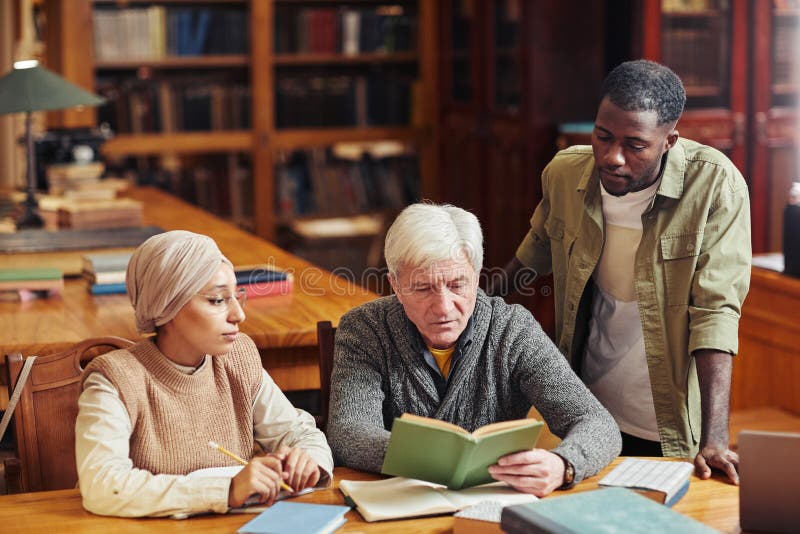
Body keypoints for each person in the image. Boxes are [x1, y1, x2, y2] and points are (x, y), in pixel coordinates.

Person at [492, 60, 750, 484]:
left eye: (634, 145)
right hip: (587, 412)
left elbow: (715, 313)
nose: (612, 157)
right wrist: (468, 306)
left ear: (669, 141)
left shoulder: (715, 186)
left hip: (663, 416)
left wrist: (716, 439)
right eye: (602, 136)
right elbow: (531, 257)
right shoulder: (564, 174)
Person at [327, 203, 621, 497]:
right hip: (399, 500)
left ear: (477, 276)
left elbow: (596, 422)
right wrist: (435, 461)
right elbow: (349, 432)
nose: (443, 308)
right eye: (423, 288)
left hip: (491, 503)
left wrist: (563, 464)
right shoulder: (364, 329)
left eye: (457, 285)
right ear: (395, 285)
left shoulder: (512, 329)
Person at [75, 230, 333, 517]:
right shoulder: (114, 379)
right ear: (167, 306)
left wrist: (307, 460)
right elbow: (101, 486)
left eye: (236, 297)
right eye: (217, 300)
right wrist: (226, 490)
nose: (239, 315)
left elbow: (297, 432)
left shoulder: (238, 357)